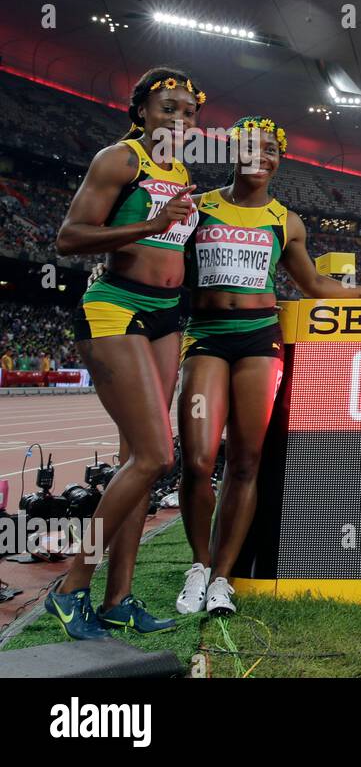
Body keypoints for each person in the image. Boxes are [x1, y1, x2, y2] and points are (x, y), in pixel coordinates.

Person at [175, 116, 361, 617]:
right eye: (251, 148)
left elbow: (315, 287)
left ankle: (223, 578)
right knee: (198, 461)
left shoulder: (286, 220)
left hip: (260, 341)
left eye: (271, 151)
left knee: (245, 462)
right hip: (206, 338)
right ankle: (197, 567)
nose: (261, 158)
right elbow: (159, 259)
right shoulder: (200, 209)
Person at [47, 67, 203, 639]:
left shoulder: (181, 171)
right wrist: (153, 224)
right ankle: (69, 588)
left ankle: (119, 599)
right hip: (116, 307)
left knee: (138, 466)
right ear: (141, 112)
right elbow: (69, 237)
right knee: (156, 458)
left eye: (188, 111)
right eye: (167, 108)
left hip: (167, 317)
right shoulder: (120, 159)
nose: (179, 119)